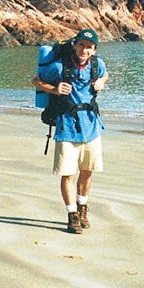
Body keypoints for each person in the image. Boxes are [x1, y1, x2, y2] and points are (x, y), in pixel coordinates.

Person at [32, 28, 108, 234]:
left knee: (87, 172)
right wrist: (54, 90)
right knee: (68, 174)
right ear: (75, 45)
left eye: (89, 47)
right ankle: (72, 214)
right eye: (81, 45)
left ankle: (83, 207)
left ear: (94, 50)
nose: (84, 50)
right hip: (66, 127)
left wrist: (102, 81)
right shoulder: (58, 67)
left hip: (92, 126)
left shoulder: (97, 65)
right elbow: (36, 80)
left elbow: (105, 74)